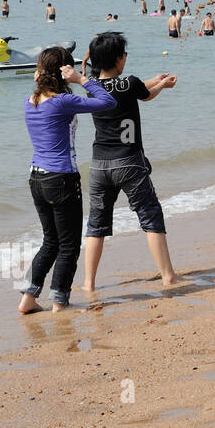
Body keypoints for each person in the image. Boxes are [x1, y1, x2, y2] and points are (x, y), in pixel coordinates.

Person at [19, 47, 116, 313]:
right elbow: (108, 102)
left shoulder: (31, 100)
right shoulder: (61, 101)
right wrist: (81, 80)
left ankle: (28, 299)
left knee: (50, 241)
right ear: (64, 69)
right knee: (69, 245)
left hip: (36, 178)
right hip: (61, 179)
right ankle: (59, 303)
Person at [83, 32, 182, 292]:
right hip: (129, 163)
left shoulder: (91, 85)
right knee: (151, 216)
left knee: (96, 224)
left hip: (99, 165)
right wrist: (163, 85)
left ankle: (88, 283)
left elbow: (137, 86)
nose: (126, 58)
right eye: (124, 54)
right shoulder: (129, 84)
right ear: (118, 60)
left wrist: (155, 80)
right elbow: (145, 95)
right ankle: (168, 276)